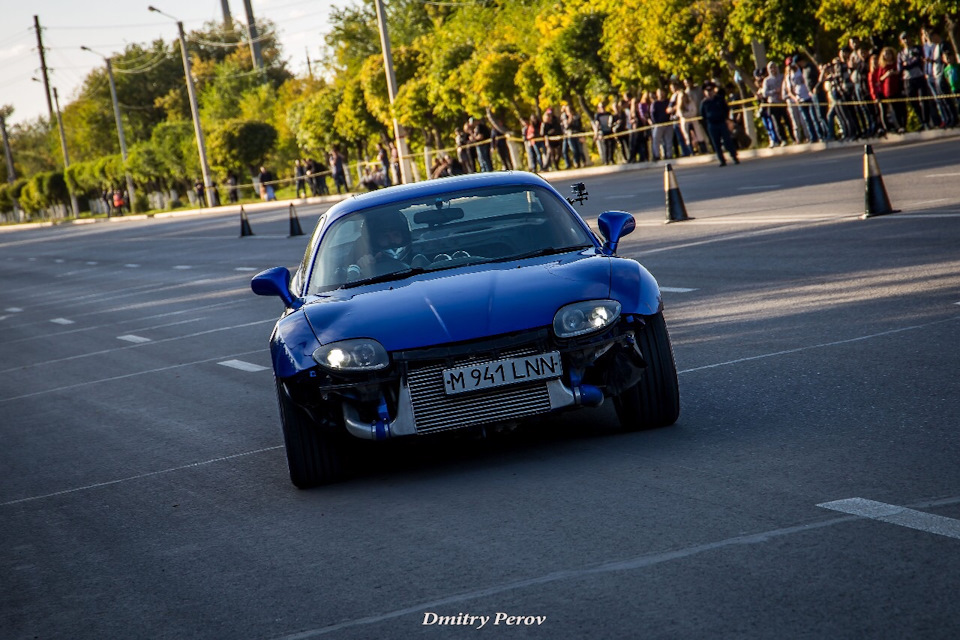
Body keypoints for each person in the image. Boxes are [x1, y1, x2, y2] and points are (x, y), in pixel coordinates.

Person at [348, 210, 415, 279]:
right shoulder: (361, 252)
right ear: (374, 239)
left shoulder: (417, 252)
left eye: (396, 235)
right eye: (385, 236)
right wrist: (361, 268)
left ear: (404, 236)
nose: (392, 240)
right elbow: (346, 280)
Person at [699, 82, 739, 167]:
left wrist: (725, 119)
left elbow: (726, 109)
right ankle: (722, 160)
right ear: (705, 92)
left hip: (721, 122)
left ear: (714, 90)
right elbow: (702, 114)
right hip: (712, 124)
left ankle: (734, 157)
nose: (709, 92)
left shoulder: (719, 99)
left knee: (727, 141)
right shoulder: (704, 103)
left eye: (711, 90)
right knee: (716, 143)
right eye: (707, 90)